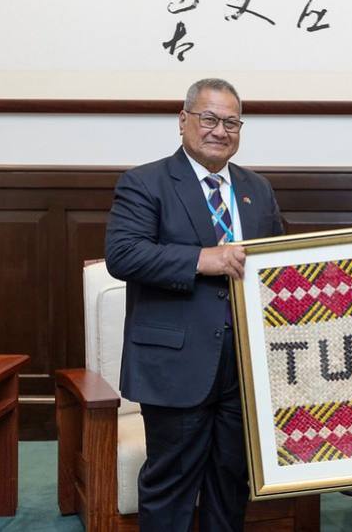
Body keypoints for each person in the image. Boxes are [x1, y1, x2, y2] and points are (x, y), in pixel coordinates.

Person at [105, 78, 284, 532]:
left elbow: (279, 265)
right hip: (175, 364)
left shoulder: (257, 189)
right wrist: (203, 259)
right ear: (183, 120)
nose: (219, 131)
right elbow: (123, 254)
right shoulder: (145, 182)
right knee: (172, 485)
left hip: (243, 367)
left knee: (231, 481)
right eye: (209, 118)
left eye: (231, 122)